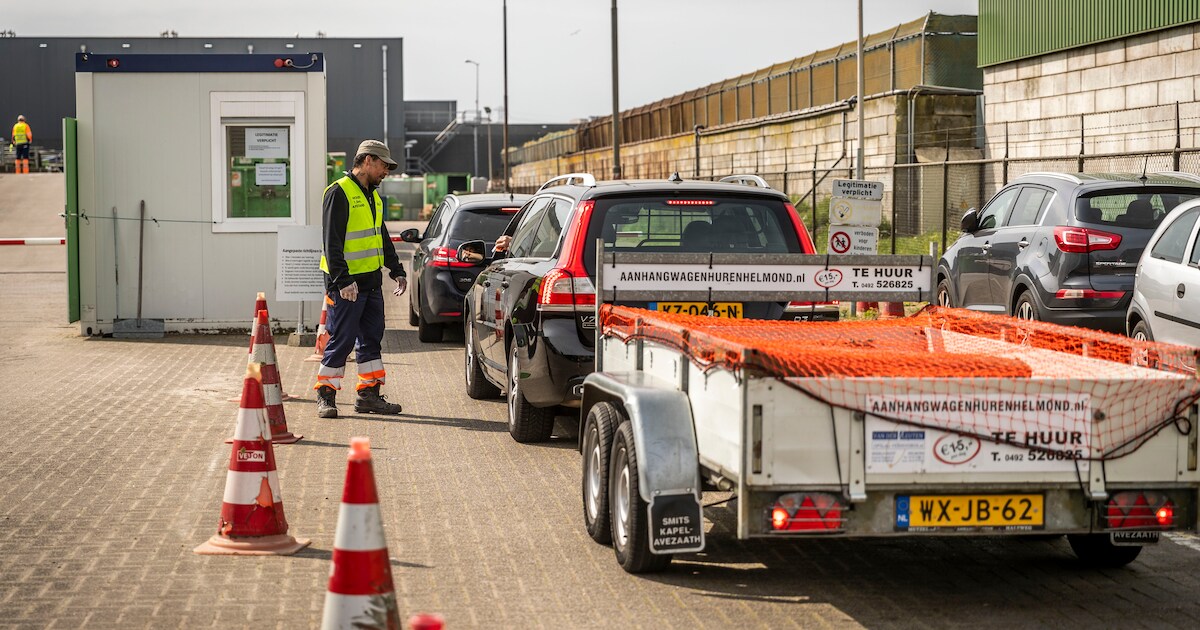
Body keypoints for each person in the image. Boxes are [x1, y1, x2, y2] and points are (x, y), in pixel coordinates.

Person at [313, 139, 408, 419]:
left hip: (370, 282)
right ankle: (326, 394)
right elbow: (332, 242)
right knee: (342, 339)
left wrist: (396, 269)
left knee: (371, 338)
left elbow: (381, 237)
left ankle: (369, 395)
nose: (386, 172)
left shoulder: (373, 196)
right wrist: (342, 281)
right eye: (383, 165)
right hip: (346, 284)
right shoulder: (338, 192)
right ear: (367, 161)